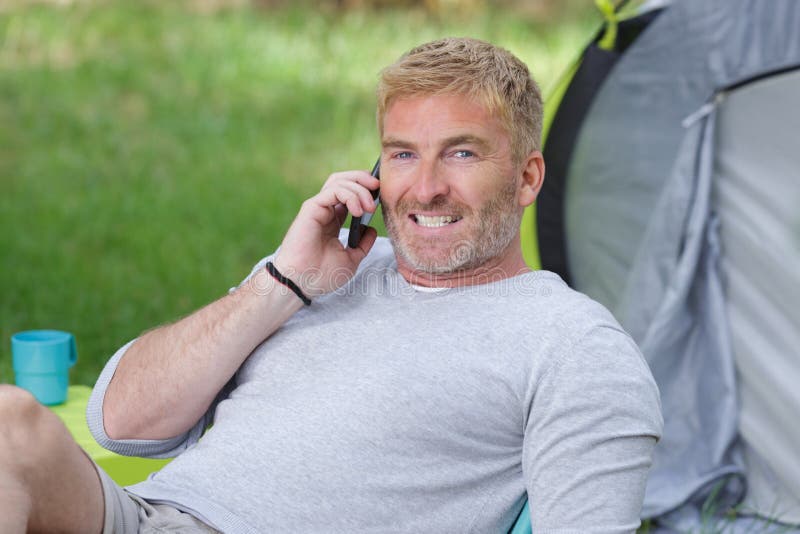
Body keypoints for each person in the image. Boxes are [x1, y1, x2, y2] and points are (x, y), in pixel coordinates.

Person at [0, 37, 662, 533]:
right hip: (144, 516)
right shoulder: (319, 271)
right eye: (403, 153)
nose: (426, 186)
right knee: (10, 422)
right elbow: (117, 423)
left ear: (526, 178)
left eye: (461, 153)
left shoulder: (573, 345)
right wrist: (281, 283)